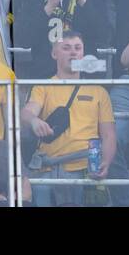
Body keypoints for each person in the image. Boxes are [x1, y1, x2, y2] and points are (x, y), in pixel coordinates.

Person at [21, 31, 117, 206]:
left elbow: (109, 135)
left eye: (77, 48)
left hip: (85, 170)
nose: (73, 52)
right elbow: (27, 112)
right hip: (46, 170)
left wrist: (106, 162)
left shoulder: (99, 92)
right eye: (66, 48)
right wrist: (34, 121)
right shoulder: (43, 87)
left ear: (83, 53)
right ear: (54, 54)